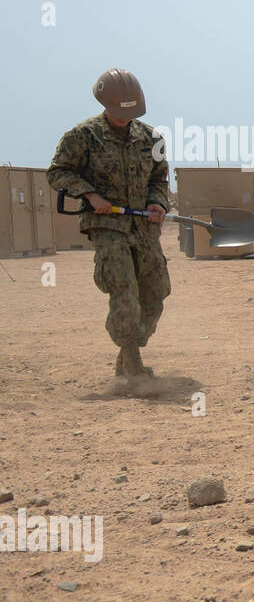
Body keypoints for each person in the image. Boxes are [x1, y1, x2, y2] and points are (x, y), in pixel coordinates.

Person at [47, 69, 170, 378]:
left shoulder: (152, 137)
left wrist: (158, 203)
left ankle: (131, 349)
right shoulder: (81, 136)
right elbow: (58, 172)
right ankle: (131, 361)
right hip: (107, 228)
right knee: (124, 290)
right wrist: (90, 195)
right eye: (119, 114)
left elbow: (159, 179)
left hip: (143, 228)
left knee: (156, 292)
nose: (124, 119)